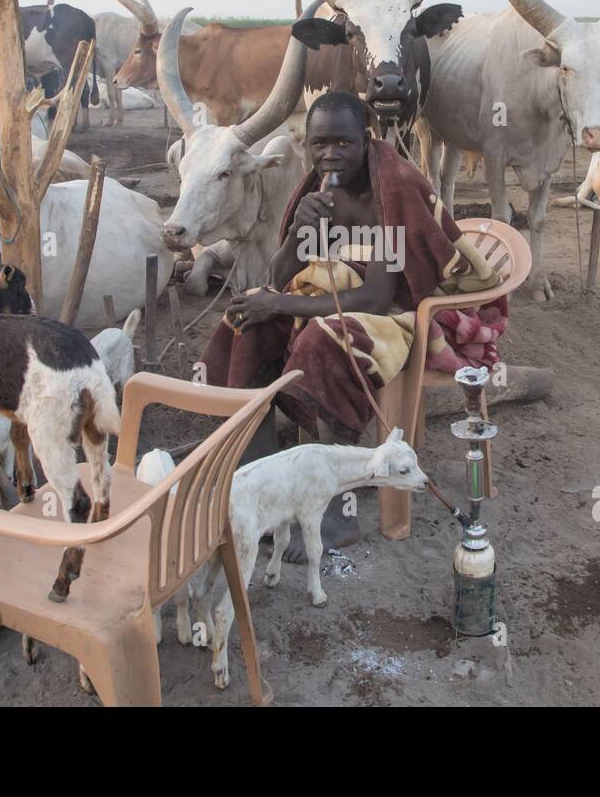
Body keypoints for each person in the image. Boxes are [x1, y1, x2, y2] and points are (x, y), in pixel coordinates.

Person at [201, 91, 504, 560]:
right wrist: (300, 233)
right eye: (320, 144)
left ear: (366, 140)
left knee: (327, 344)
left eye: (343, 143)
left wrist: (281, 303)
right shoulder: (316, 190)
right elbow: (277, 278)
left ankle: (338, 517)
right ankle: (264, 480)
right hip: (334, 294)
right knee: (244, 322)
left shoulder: (393, 187)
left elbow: (377, 297)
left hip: (398, 312)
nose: (330, 155)